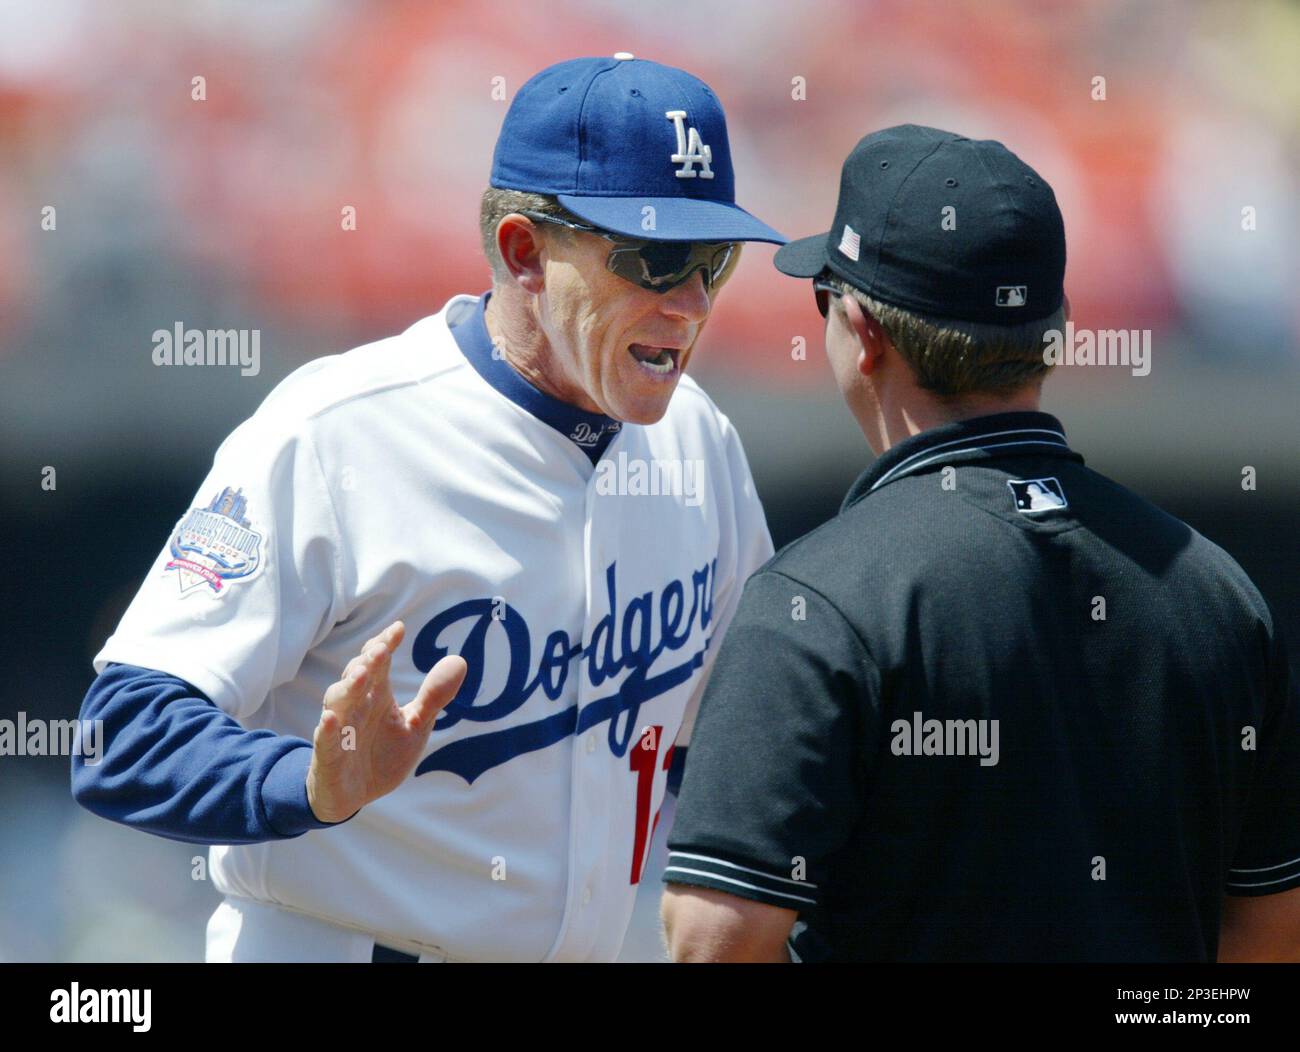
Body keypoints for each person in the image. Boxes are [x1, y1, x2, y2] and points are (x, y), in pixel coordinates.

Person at [72, 54, 782, 963]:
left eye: (712, 262)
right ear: (525, 252)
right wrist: (309, 782)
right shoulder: (338, 433)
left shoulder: (701, 447)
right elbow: (117, 734)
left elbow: (730, 747)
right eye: (654, 259)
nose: (689, 304)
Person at [660, 124, 1300, 963]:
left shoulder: (817, 601)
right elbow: (1270, 926)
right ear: (1056, 328)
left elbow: (716, 943)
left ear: (862, 327)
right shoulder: (1217, 592)